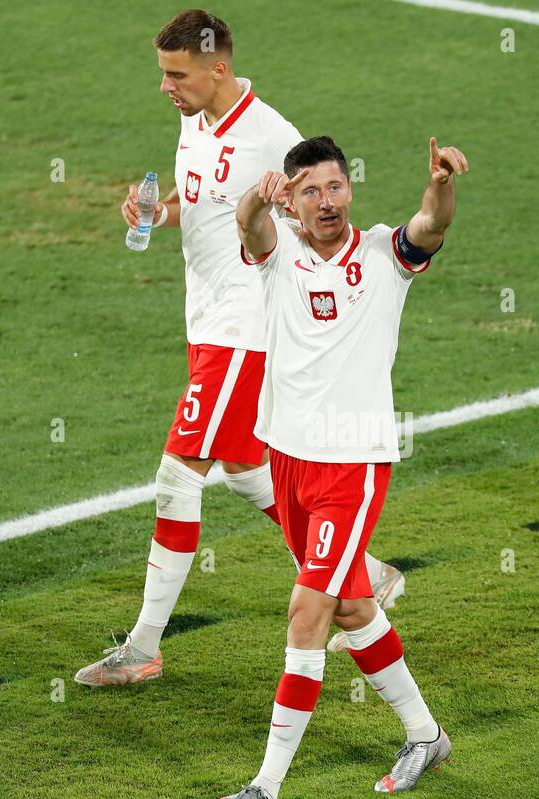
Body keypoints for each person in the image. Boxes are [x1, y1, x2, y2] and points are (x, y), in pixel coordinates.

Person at [76, 10, 403, 687]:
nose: (167, 87)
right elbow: (197, 203)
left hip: (244, 329)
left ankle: (143, 646)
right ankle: (366, 574)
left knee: (178, 477)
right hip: (205, 323)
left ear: (218, 68)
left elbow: (307, 233)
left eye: (177, 75)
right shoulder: (194, 122)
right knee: (245, 465)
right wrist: (155, 213)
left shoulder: (272, 139)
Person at [208, 135, 468, 799]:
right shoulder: (279, 251)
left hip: (352, 466)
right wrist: (252, 199)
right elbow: (248, 226)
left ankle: (263, 790)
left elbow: (432, 224)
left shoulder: (385, 254)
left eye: (336, 187)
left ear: (350, 188)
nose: (328, 201)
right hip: (287, 462)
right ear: (291, 199)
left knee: (307, 609)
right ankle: (425, 736)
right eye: (311, 191)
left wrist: (441, 183)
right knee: (352, 608)